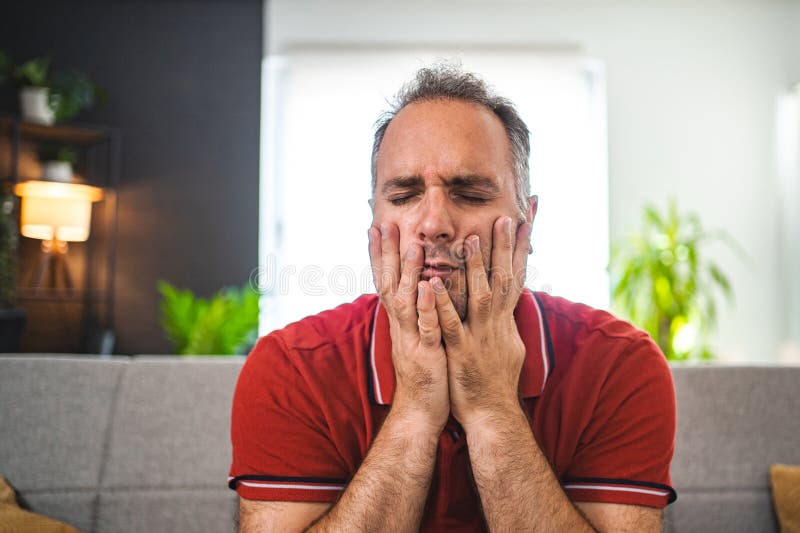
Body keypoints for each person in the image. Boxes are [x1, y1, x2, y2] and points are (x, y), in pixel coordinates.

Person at [228, 63, 677, 532]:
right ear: (373, 223)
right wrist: (416, 411)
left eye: (471, 194)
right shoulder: (291, 367)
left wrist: (490, 407)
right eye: (403, 195)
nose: (433, 223)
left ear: (527, 222)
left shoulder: (619, 364)